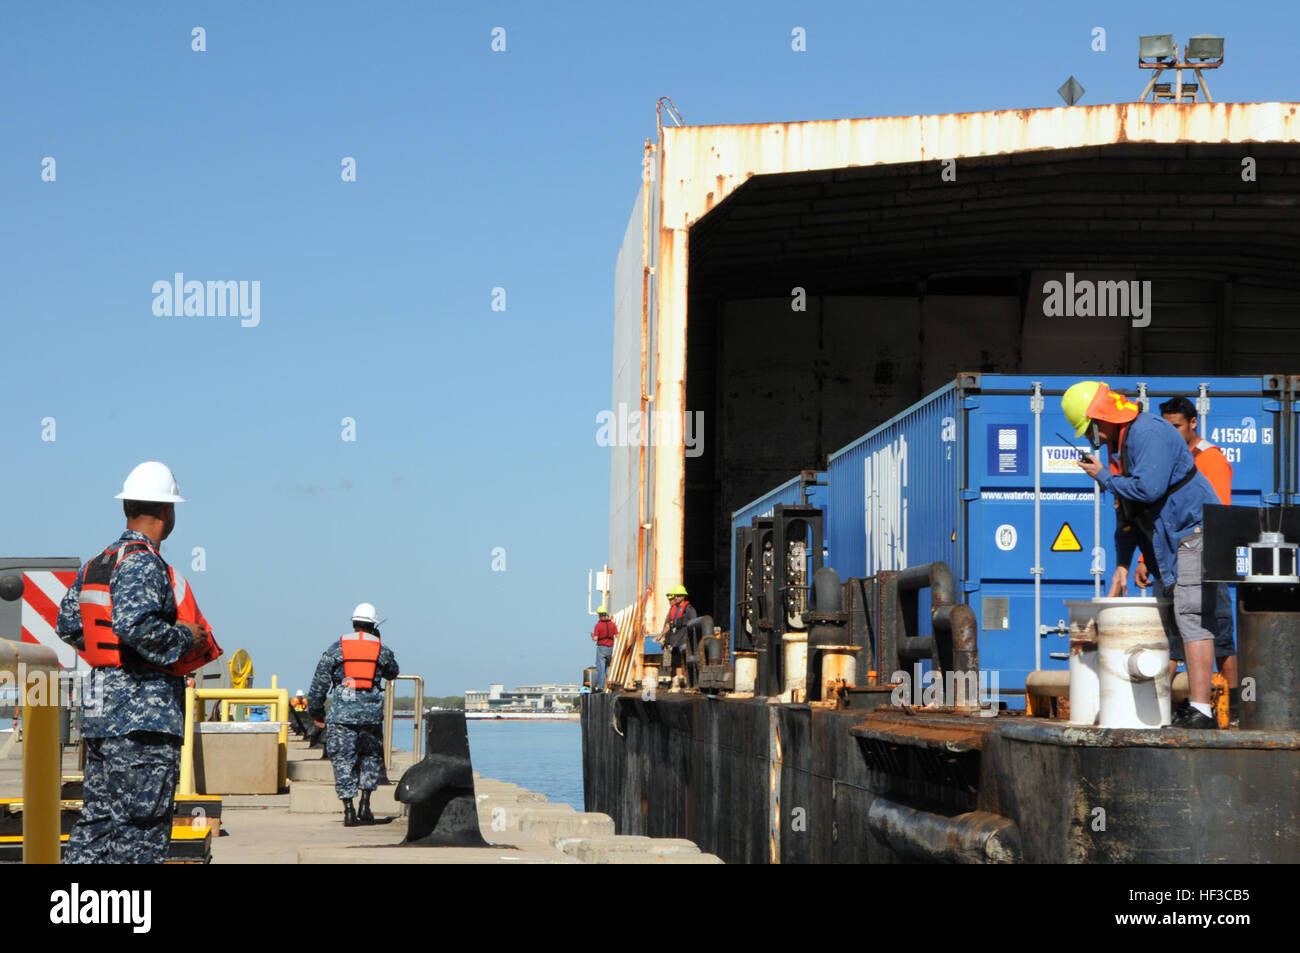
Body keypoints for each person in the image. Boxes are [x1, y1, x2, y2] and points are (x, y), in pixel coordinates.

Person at [56, 461, 215, 863]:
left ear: (127, 505)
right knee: (140, 830)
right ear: (167, 511)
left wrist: (110, 660)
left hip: (100, 711)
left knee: (98, 822)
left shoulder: (99, 562)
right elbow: (135, 626)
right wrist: (187, 637)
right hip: (141, 718)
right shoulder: (144, 561)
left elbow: (68, 622)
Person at [1062, 381, 1223, 729]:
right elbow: (1128, 511)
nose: (1094, 437)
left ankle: (1203, 711)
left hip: (1193, 531)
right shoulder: (1121, 446)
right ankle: (1165, 707)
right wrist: (1122, 562)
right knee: (1172, 622)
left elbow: (1147, 490)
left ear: (1100, 418)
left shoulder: (1147, 433)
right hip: (1171, 540)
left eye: (1090, 428)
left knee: (1193, 616)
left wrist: (1102, 476)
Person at [1132, 397, 1238, 711]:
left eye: (1176, 426)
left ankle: (1238, 708)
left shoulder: (1209, 459)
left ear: (1193, 423)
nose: (1170, 432)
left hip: (1203, 558)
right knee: (1170, 637)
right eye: (1165, 426)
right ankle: (1163, 708)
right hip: (1168, 560)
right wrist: (1142, 559)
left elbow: (1215, 513)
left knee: (1219, 637)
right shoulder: (1163, 457)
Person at [307, 603, 399, 826]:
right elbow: (393, 672)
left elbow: (319, 684)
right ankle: (365, 804)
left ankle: (348, 809)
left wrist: (317, 712)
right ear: (374, 625)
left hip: (342, 717)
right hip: (371, 717)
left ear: (354, 623)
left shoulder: (336, 648)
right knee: (370, 758)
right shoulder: (382, 649)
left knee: (343, 761)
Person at [657, 585, 696, 689]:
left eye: (677, 596)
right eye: (673, 597)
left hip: (683, 640)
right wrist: (661, 635)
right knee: (671, 662)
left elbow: (693, 624)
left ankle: (684, 682)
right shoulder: (672, 611)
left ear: (683, 596)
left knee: (682, 661)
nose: (674, 599)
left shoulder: (689, 609)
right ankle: (672, 682)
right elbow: (668, 625)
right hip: (672, 641)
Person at [591, 606, 617, 691]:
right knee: (608, 668)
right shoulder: (612, 624)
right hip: (611, 648)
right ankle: (609, 685)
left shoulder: (598, 625)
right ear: (606, 614)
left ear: (599, 615)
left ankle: (601, 687)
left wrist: (592, 636)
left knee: (601, 668)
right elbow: (617, 635)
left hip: (602, 648)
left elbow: (595, 638)